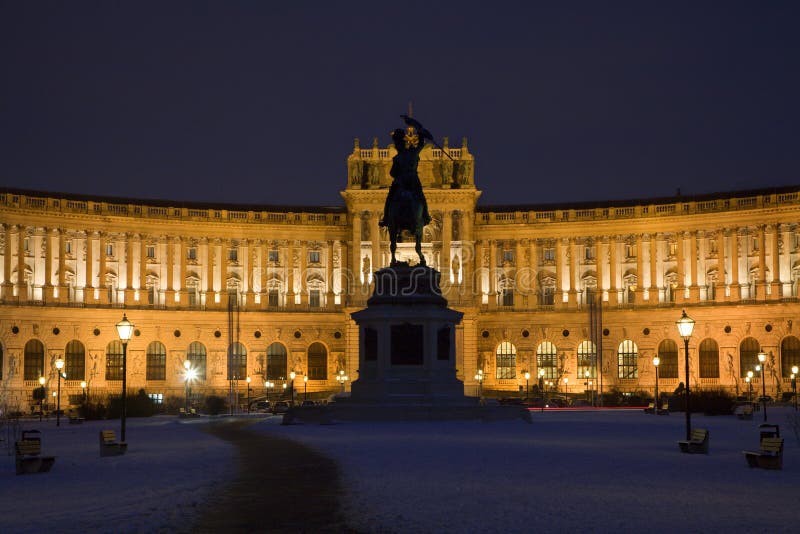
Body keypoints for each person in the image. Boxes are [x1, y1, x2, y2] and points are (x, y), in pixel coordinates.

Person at [379, 128, 431, 227]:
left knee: (390, 198)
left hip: (400, 182)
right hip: (413, 181)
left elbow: (392, 173)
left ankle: (385, 218)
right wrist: (421, 136)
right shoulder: (413, 153)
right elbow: (421, 145)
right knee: (421, 197)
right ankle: (426, 215)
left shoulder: (397, 157)